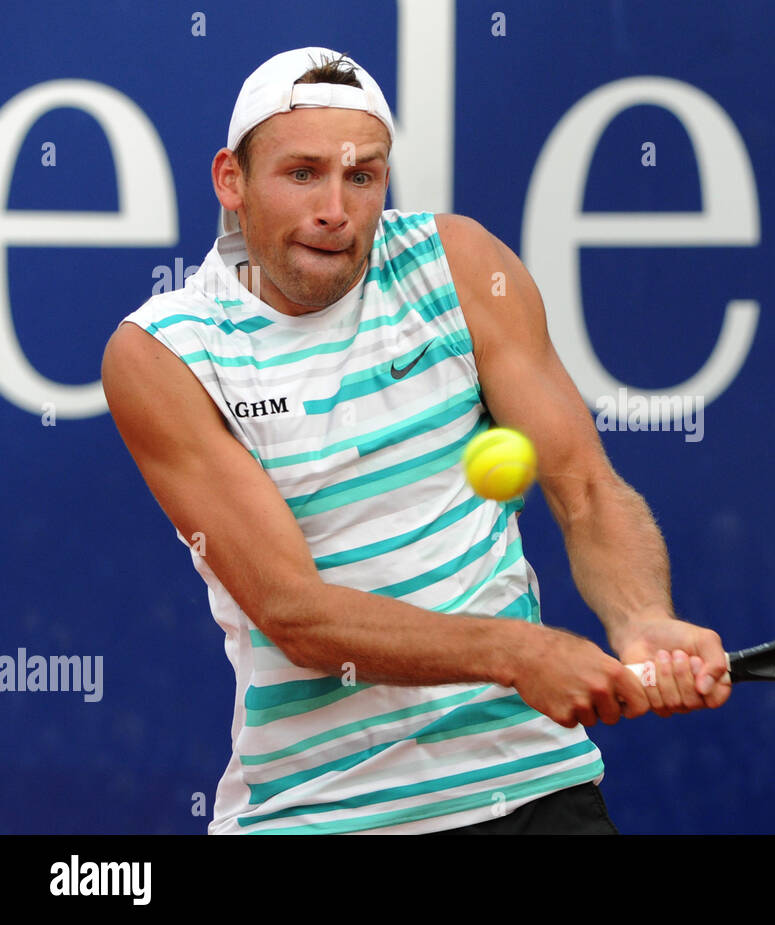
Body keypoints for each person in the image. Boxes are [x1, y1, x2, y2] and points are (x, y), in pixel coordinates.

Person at [101, 47, 730, 835]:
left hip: (532, 791)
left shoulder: (460, 265)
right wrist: (515, 653)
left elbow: (587, 488)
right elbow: (295, 614)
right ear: (232, 180)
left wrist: (643, 618)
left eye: (362, 176)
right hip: (316, 814)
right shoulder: (163, 353)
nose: (336, 208)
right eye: (302, 174)